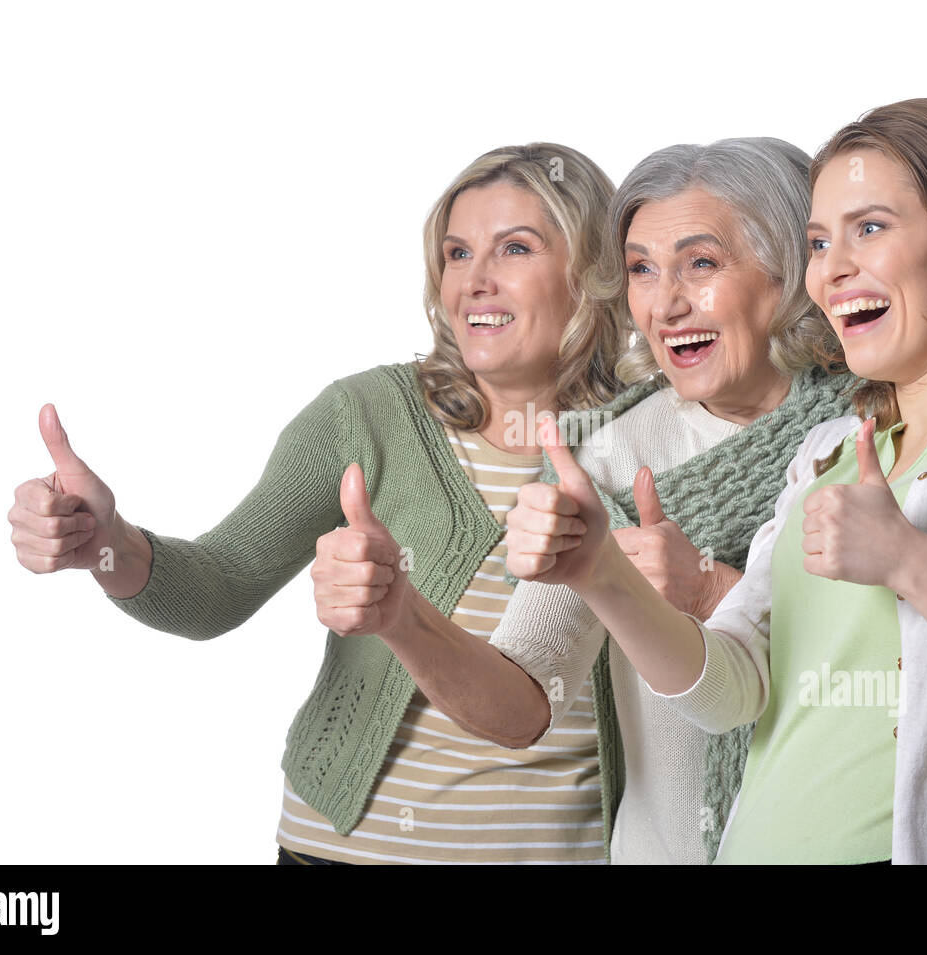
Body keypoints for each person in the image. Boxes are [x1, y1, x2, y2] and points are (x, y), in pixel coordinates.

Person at [506, 99, 927, 864]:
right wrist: (603, 576)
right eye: (819, 241)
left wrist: (910, 561)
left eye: (871, 228)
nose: (832, 269)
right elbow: (731, 692)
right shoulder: (826, 451)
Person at [7, 142, 626, 864]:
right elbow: (220, 585)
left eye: (514, 248)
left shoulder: (653, 436)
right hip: (338, 853)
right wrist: (104, 542)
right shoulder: (365, 416)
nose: (476, 281)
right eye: (457, 254)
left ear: (591, 275)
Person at [314, 138, 856, 863]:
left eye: (701, 263)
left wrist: (709, 587)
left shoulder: (880, 420)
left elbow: (916, 663)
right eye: (641, 269)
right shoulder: (602, 456)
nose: (664, 304)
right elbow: (524, 700)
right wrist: (402, 616)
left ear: (791, 270)